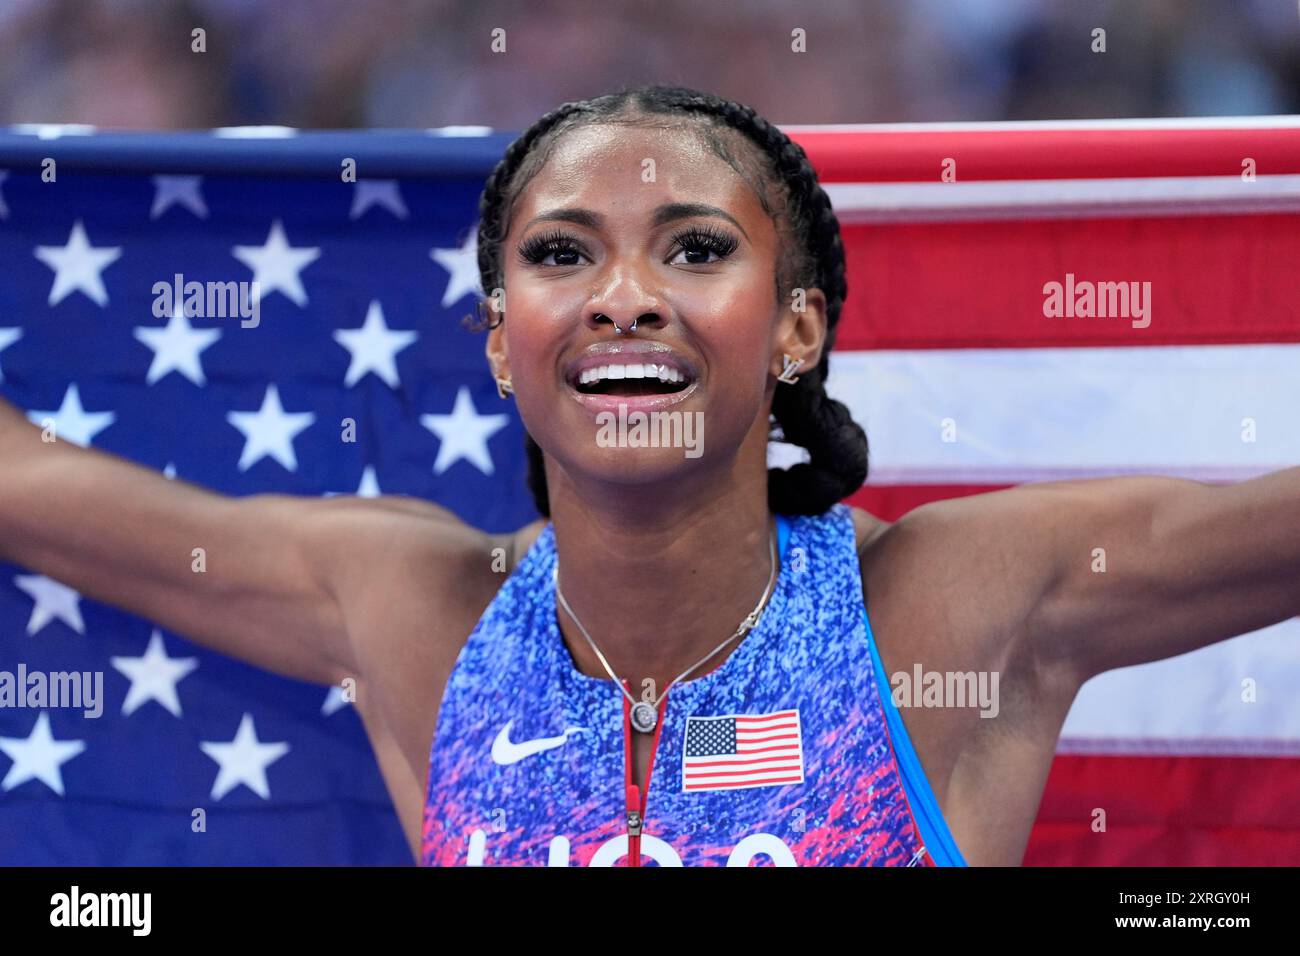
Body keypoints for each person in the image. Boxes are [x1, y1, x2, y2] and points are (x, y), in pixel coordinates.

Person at [1, 85, 1297, 867]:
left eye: (692, 249)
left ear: (796, 328)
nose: (625, 298)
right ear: (503, 342)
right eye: (564, 254)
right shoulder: (413, 610)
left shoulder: (952, 604)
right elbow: (35, 490)